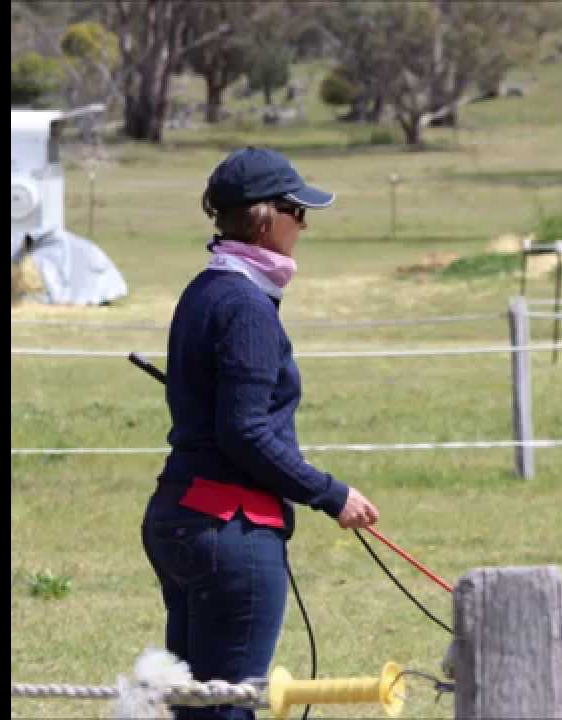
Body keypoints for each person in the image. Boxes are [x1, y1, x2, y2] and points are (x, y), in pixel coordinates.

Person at [140, 147, 380, 720]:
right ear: (267, 217)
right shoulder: (247, 306)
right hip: (231, 531)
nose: (306, 223)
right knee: (227, 710)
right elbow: (244, 431)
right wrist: (332, 494)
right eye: (298, 210)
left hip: (181, 519)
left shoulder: (204, 289)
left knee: (194, 708)